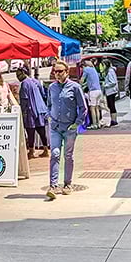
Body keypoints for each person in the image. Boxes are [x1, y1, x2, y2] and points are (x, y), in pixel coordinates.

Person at [46, 60, 87, 199]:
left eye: (60, 71)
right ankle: (53, 185)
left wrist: (77, 123)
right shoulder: (52, 87)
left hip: (69, 127)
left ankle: (67, 184)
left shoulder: (75, 87)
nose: (57, 74)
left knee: (68, 156)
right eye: (55, 71)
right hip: (55, 127)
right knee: (55, 154)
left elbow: (83, 107)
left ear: (66, 72)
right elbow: (49, 104)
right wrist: (49, 116)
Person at [16, 66, 49, 158]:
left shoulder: (24, 84)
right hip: (41, 109)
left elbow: (24, 100)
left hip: (30, 110)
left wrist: (22, 112)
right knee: (41, 131)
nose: (17, 77)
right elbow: (43, 95)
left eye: (18, 74)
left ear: (24, 73)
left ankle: (31, 151)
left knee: (30, 131)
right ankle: (46, 150)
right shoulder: (36, 81)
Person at [80, 60, 102, 129]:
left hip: (93, 92)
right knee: (97, 108)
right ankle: (98, 123)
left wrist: (80, 84)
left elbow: (82, 80)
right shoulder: (93, 69)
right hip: (99, 90)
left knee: (92, 108)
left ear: (83, 66)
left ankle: (94, 124)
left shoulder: (86, 70)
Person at [100, 59, 119, 127]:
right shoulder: (109, 71)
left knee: (111, 105)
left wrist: (105, 85)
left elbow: (112, 82)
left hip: (111, 91)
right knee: (110, 105)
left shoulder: (110, 71)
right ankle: (113, 120)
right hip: (110, 91)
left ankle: (114, 120)